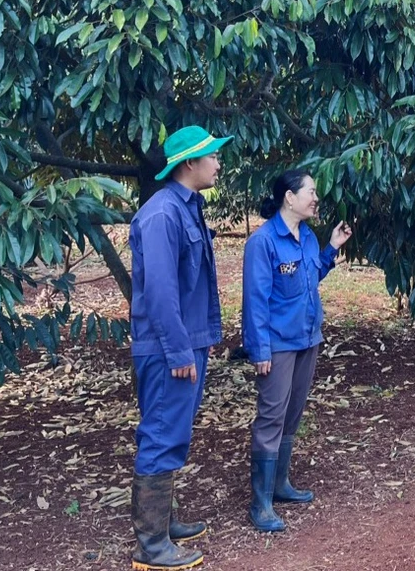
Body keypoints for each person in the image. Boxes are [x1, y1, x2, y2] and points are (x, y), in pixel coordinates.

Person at [128, 125, 230, 571]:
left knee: (172, 431)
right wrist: (179, 351)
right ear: (190, 163)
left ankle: (163, 525)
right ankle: (151, 547)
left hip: (188, 341)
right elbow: (161, 293)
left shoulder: (188, 209)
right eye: (212, 155)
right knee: (162, 433)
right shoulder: (162, 214)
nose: (218, 162)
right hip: (171, 346)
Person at [242, 170, 352, 531]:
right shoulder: (263, 242)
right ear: (289, 197)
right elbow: (255, 301)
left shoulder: (305, 236)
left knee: (292, 413)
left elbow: (310, 275)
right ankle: (260, 504)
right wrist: (259, 350)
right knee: (272, 416)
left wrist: (331, 247)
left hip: (307, 338)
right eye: (311, 191)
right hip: (277, 343)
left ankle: (280, 484)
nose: (315, 198)